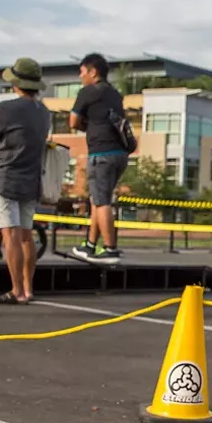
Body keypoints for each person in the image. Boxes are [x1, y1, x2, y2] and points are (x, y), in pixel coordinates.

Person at [0, 57, 51, 305]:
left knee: (9, 234)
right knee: (26, 235)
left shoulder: (6, 109)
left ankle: (16, 290)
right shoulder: (44, 113)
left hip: (5, 177)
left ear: (16, 83)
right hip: (32, 179)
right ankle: (28, 289)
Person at [70, 52, 128, 265]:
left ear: (93, 72)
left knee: (102, 202)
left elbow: (73, 122)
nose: (80, 76)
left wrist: (89, 126)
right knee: (97, 199)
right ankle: (90, 245)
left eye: (82, 71)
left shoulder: (87, 92)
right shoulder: (115, 94)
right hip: (120, 154)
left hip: (101, 154)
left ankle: (111, 250)